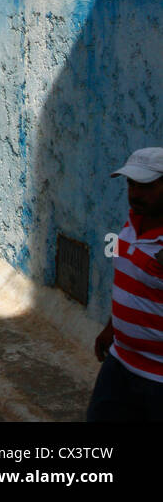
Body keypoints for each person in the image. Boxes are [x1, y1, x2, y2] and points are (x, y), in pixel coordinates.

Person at [87, 148, 163, 421]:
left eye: (146, 186)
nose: (135, 194)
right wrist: (112, 327)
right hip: (120, 362)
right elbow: (128, 281)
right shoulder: (132, 223)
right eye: (131, 184)